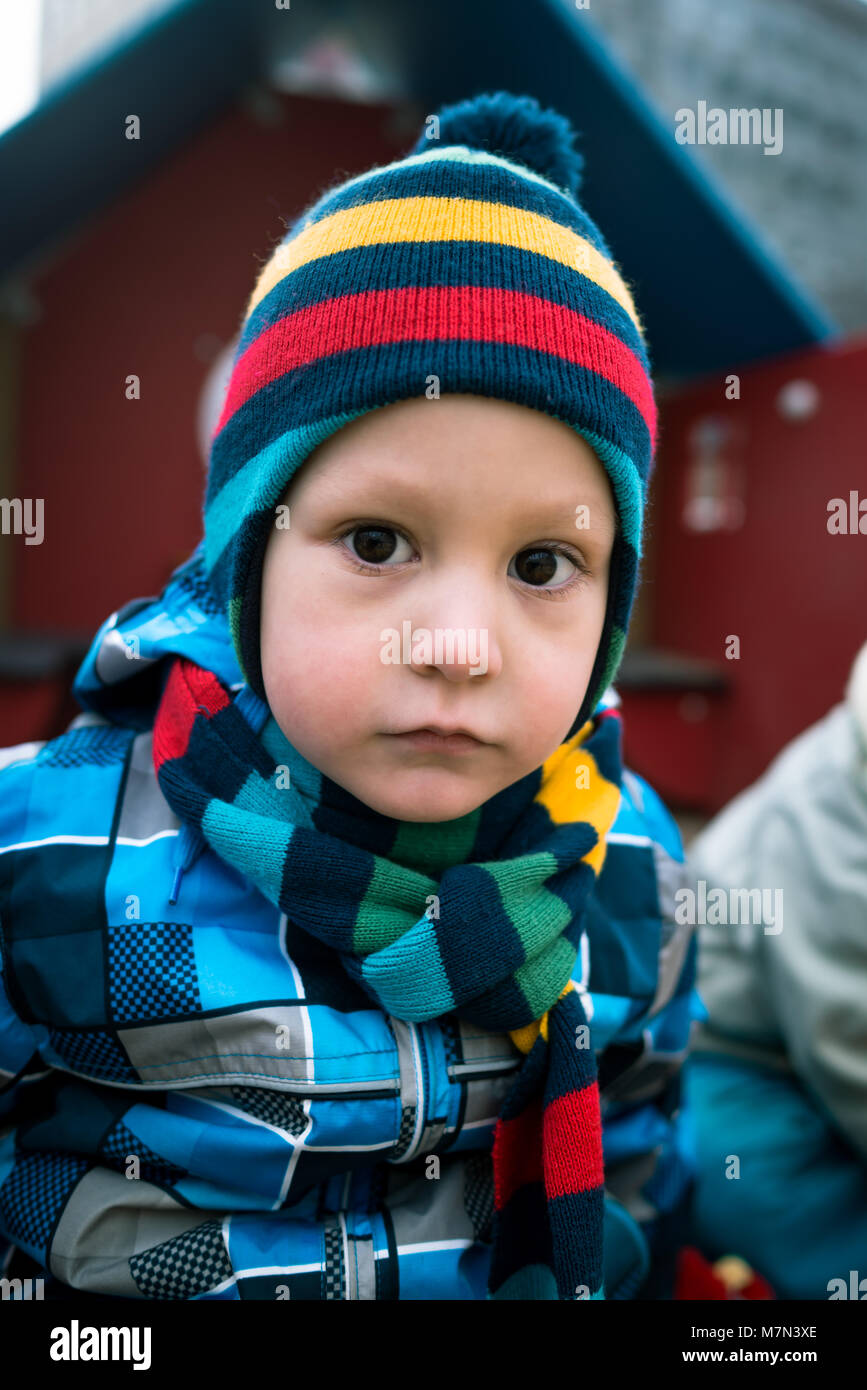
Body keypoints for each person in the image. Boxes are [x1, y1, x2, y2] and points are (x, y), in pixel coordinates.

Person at [0, 91, 701, 1301]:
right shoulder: (51, 853)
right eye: (377, 541)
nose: (457, 643)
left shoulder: (631, 860)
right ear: (247, 562)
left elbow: (636, 1147)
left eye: (543, 565)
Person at [684, 638, 867, 1300]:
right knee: (774, 1200)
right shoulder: (836, 839)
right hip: (733, 1066)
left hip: (813, 1061)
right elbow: (848, 1050)